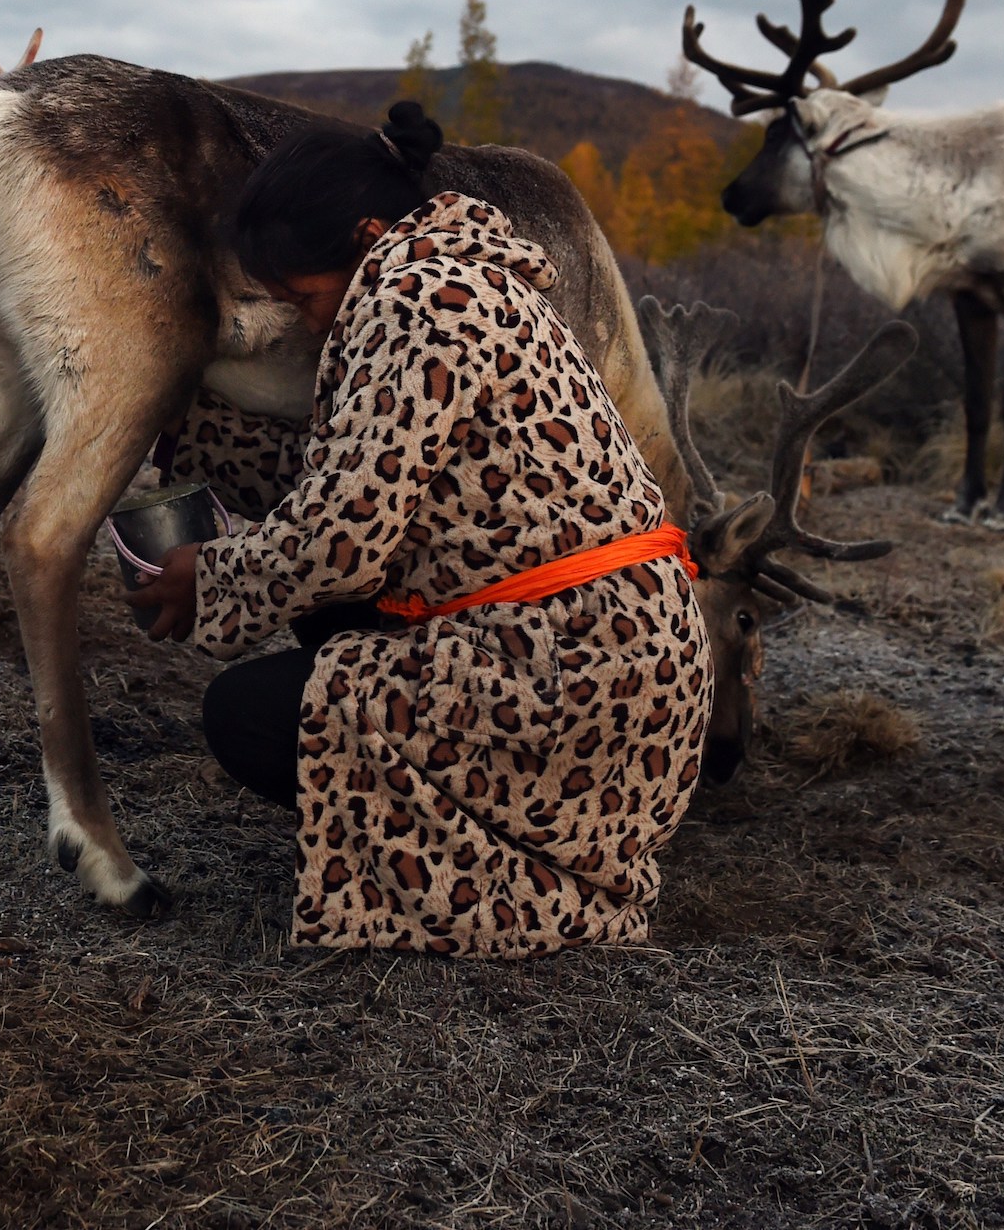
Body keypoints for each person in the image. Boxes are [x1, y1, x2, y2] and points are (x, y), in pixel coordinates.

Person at [127, 103, 711, 959]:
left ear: (366, 236)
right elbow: (348, 479)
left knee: (245, 716)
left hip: (575, 676)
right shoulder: (457, 278)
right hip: (605, 657)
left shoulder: (420, 301)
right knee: (328, 624)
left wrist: (206, 578)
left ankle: (526, 884)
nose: (311, 322)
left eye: (306, 296)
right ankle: (454, 826)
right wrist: (198, 437)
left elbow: (342, 536)